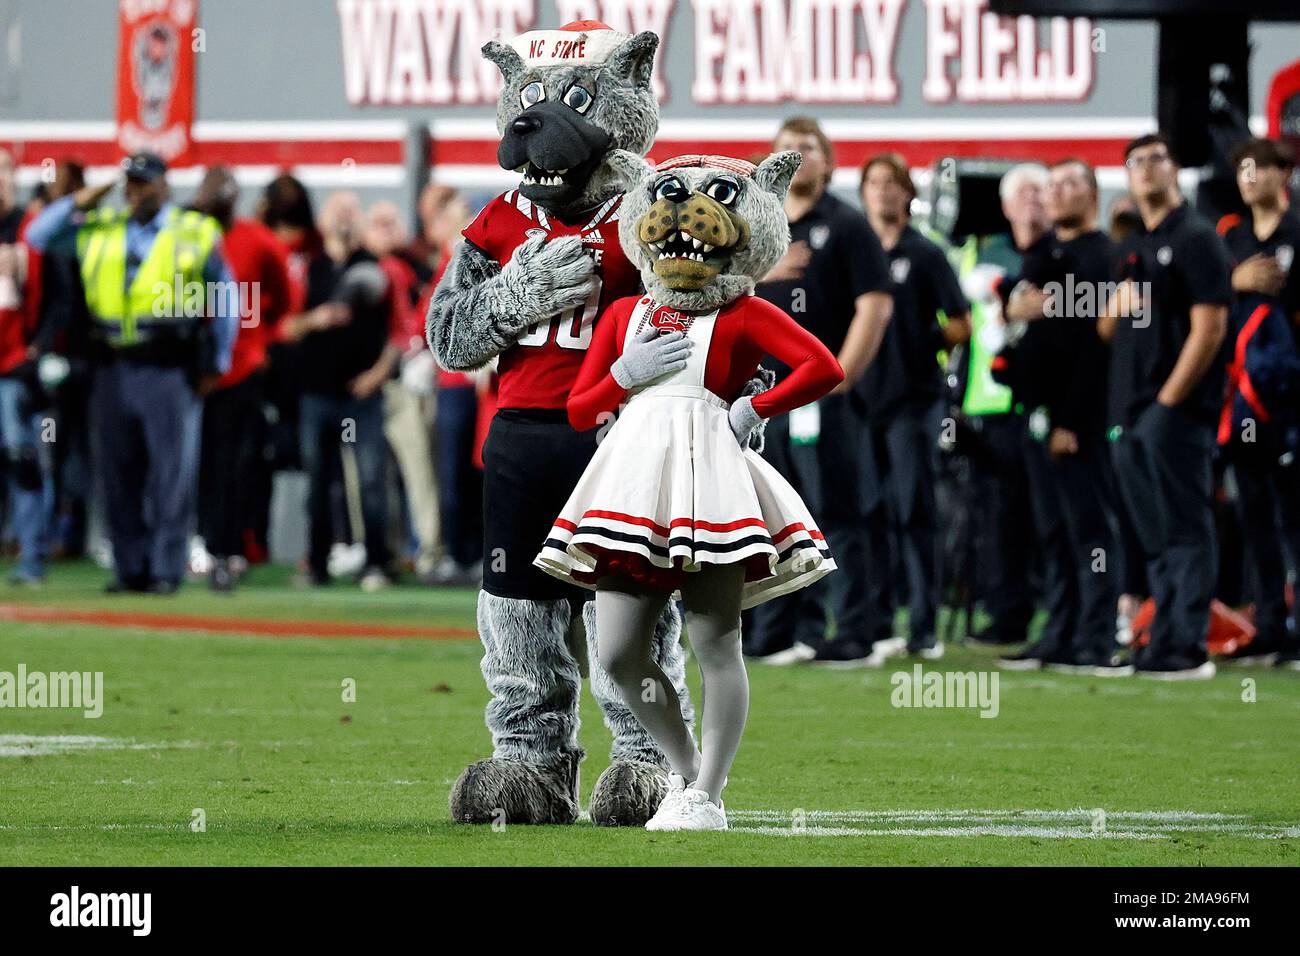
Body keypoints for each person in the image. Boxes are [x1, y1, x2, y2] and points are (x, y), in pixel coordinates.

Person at [536, 152, 841, 831]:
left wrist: (752, 411)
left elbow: (823, 367)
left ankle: (708, 790)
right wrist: (622, 371)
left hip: (711, 483)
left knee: (716, 643)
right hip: (634, 485)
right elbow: (583, 409)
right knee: (616, 654)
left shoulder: (746, 311)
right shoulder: (624, 313)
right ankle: (685, 771)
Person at [26, 151, 237, 594]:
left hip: (169, 364)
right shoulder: (102, 228)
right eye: (131, 183)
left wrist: (219, 359)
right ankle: (130, 568)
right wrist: (91, 193)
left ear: (164, 185)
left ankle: (165, 569)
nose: (136, 191)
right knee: (117, 474)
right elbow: (40, 236)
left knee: (169, 474)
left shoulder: (193, 231)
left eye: (145, 182)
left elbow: (227, 298)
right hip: (111, 364)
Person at [747, 116, 893, 666]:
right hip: (761, 400)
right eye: (787, 148)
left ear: (829, 162)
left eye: (809, 148)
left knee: (837, 511)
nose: (798, 156)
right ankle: (783, 629)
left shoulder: (849, 226)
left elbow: (875, 304)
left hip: (819, 397)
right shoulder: (758, 228)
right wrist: (763, 270)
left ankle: (856, 629)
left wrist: (839, 376)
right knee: (770, 517)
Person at [1101, 133, 1232, 680]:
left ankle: (1188, 646)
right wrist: (1118, 303)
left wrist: (1168, 403)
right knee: (1153, 534)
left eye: (1157, 158)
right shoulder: (1135, 247)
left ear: (1173, 169)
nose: (1146, 170)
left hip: (1171, 410)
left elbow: (1211, 328)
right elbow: (1107, 329)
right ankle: (1162, 639)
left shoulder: (1197, 238)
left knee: (1185, 527)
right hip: (1130, 412)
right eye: (1136, 162)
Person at [991, 159, 1129, 674]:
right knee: (1053, 531)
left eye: (1071, 182)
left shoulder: (1098, 257)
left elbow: (1094, 350)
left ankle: (1095, 639)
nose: (1056, 192)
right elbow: (1024, 328)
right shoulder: (1044, 254)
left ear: (1092, 194)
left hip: (1077, 420)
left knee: (1091, 532)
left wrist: (1071, 419)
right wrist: (1011, 311)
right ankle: (1058, 634)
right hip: (1035, 413)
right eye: (1052, 185)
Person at [857, 152, 970, 660]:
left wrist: (926, 339)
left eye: (891, 183)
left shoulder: (925, 254)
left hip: (912, 401)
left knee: (913, 511)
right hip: (861, 401)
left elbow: (962, 323)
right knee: (869, 513)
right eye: (873, 183)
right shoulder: (854, 253)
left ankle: (923, 627)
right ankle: (876, 621)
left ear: (907, 194)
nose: (882, 191)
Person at [279, 190, 398, 591]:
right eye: (338, 211)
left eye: (351, 210)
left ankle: (376, 562)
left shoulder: (376, 268)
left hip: (360, 395)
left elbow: (399, 332)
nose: (345, 218)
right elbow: (285, 327)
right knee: (318, 482)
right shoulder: (308, 268)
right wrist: (317, 319)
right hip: (317, 393)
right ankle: (317, 562)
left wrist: (377, 375)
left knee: (369, 481)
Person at [1217, 137, 1300, 669]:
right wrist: (1234, 280)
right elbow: (1198, 298)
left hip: (1292, 400)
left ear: (1282, 175)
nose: (1250, 177)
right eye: (1242, 169)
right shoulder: (1231, 239)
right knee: (1256, 518)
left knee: (1295, 518)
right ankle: (1270, 626)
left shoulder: (1297, 233)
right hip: (1243, 402)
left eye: (1260, 168)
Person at [189, 166, 292, 591]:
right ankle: (198, 542)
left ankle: (230, 547)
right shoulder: (187, 237)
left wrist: (261, 342)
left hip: (241, 370)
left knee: (236, 464)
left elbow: (286, 297)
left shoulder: (258, 240)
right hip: (195, 371)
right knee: (193, 463)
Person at [961, 163, 1050, 647]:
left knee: (1049, 512)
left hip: (1045, 399)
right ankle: (1007, 612)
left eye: (1041, 190)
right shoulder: (983, 252)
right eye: (1024, 193)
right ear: (1005, 205)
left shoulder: (1060, 252)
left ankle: (1058, 613)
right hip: (994, 404)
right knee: (1000, 516)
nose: (1033, 200)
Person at [365, 199, 442, 581]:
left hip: (402, 383)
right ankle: (379, 552)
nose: (386, 230)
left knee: (418, 472)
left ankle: (428, 550)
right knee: (369, 477)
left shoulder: (411, 267)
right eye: (378, 222)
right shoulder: (361, 267)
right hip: (365, 389)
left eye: (391, 222)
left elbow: (416, 323)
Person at [0, 149, 49, 585]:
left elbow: (56, 292)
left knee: (26, 459)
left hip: (15, 366)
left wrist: (39, 350)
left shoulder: (31, 229)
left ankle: (32, 557)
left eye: (3, 170)